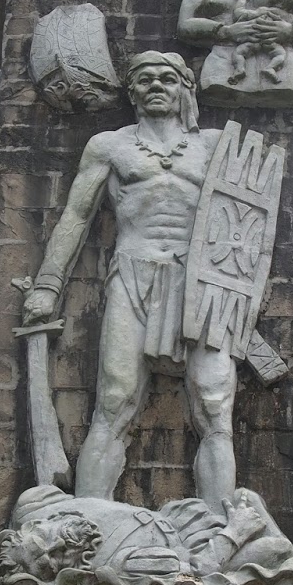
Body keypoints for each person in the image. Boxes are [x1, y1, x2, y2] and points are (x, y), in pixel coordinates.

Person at [20, 53, 234, 509]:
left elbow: (245, 222)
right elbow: (76, 217)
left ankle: (222, 525)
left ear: (185, 89)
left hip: (203, 283)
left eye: (168, 78)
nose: (157, 85)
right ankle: (89, 522)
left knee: (215, 404)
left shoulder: (216, 145)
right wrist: (48, 285)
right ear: (132, 92)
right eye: (145, 79)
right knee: (115, 400)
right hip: (133, 273)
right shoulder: (110, 146)